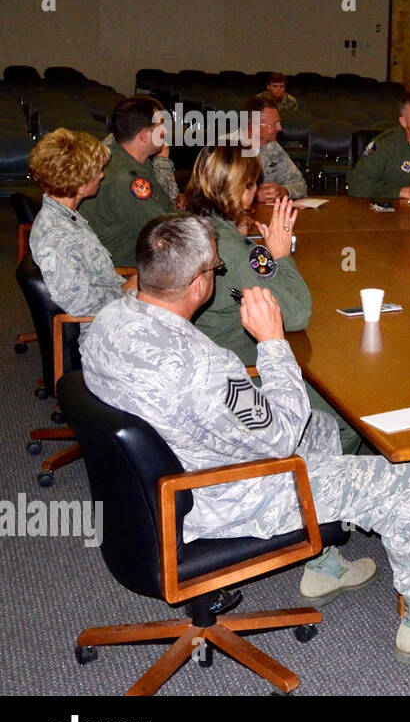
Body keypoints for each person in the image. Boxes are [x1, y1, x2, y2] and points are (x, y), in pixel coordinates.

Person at [80, 213, 410, 660]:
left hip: (152, 484)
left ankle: (324, 564)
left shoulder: (107, 321)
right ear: (198, 284)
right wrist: (272, 341)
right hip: (215, 497)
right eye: (215, 269)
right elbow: (280, 435)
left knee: (324, 425)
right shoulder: (202, 368)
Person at [183, 145, 362, 456]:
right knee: (346, 418)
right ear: (241, 189)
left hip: (201, 361)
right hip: (240, 371)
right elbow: (296, 314)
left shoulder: (187, 223)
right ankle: (311, 485)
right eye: (251, 185)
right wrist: (280, 255)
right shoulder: (243, 254)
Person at [27, 128, 137, 315]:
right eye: (98, 171)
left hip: (117, 304)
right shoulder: (57, 237)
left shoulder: (65, 215)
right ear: (79, 183)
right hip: (106, 324)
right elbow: (81, 305)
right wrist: (126, 289)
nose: (102, 175)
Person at [79, 97, 179, 267]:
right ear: (143, 136)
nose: (165, 131)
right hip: (128, 270)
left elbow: (161, 204)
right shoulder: (124, 178)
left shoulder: (127, 157)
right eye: (160, 125)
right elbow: (163, 231)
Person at [243, 96, 309, 200]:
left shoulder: (272, 147)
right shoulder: (226, 148)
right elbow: (214, 191)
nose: (280, 128)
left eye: (279, 123)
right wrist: (254, 195)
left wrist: (284, 191)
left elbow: (300, 184)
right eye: (273, 125)